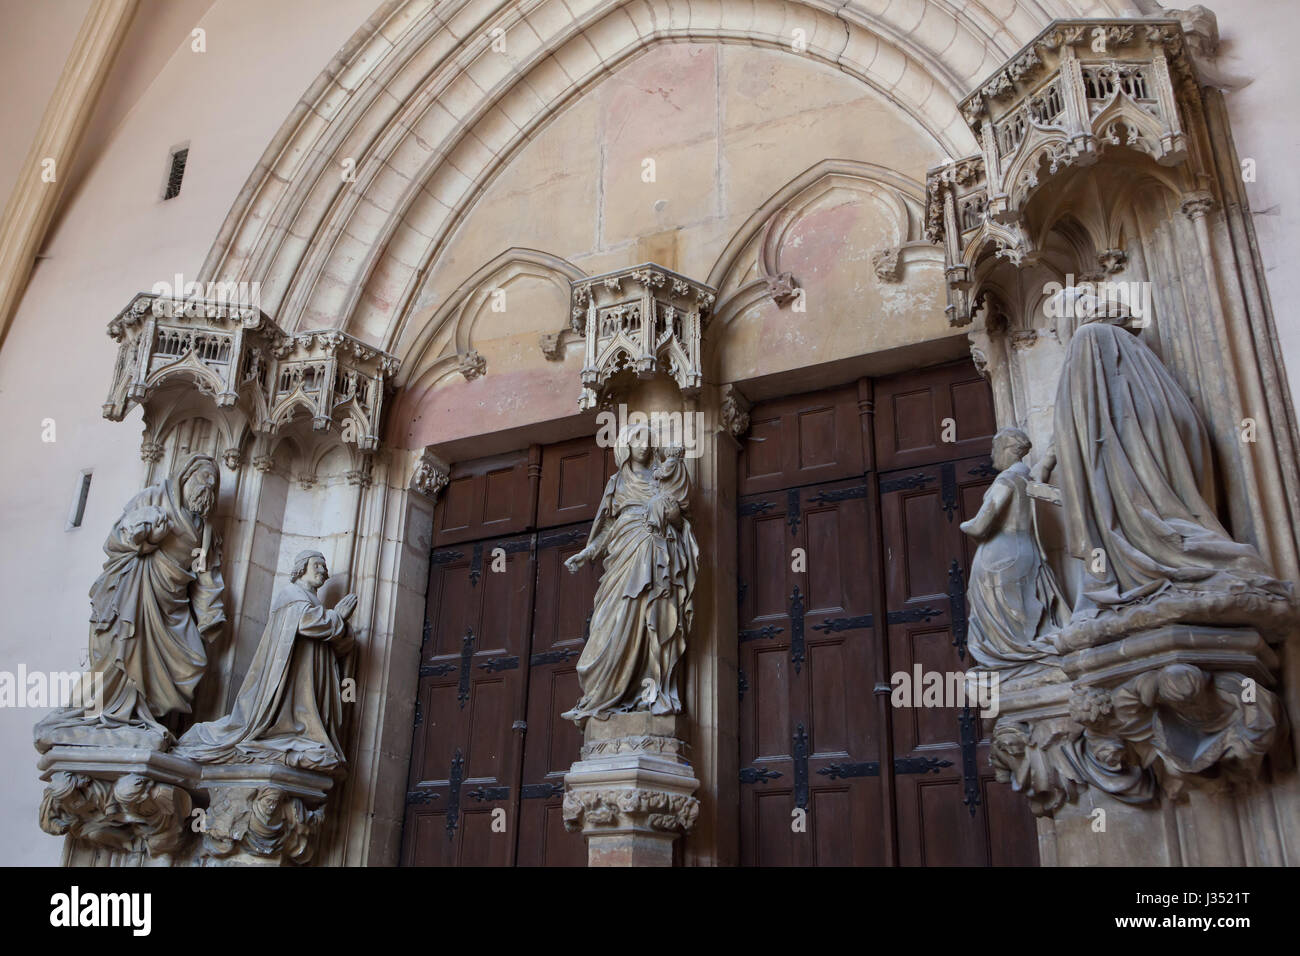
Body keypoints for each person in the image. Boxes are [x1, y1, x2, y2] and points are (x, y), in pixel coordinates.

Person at [36, 453, 225, 749]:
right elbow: (116, 540)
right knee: (122, 653)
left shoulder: (205, 529)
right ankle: (101, 711)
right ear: (185, 476)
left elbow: (204, 573)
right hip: (136, 591)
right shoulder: (153, 499)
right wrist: (148, 536)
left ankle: (143, 714)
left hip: (171, 604)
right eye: (204, 478)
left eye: (214, 483)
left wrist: (210, 612)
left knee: (194, 660)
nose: (209, 488)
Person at [174, 551, 356, 775]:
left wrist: (344, 629)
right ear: (301, 568)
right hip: (288, 681)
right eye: (318, 565)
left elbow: (335, 643)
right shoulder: (291, 595)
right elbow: (307, 623)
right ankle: (283, 736)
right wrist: (337, 616)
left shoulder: (311, 602)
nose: (323, 571)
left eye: (325, 568)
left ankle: (300, 736)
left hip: (305, 681)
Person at [562, 425, 698, 724]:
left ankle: (647, 692)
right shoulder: (617, 482)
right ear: (625, 445)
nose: (644, 445)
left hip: (655, 555)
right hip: (622, 557)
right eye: (637, 439)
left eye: (648, 441)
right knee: (609, 621)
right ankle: (598, 696)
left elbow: (680, 516)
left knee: (651, 618)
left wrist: (666, 510)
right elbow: (608, 527)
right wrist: (587, 554)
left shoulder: (662, 478)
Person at [960, 428, 1066, 671]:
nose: (991, 455)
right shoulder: (1028, 477)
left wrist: (964, 524)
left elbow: (980, 525)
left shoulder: (1007, 479)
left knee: (1007, 632)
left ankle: (1018, 668)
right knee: (1022, 618)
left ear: (1008, 450)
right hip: (1025, 552)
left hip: (1001, 558)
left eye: (994, 449)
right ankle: (1030, 668)